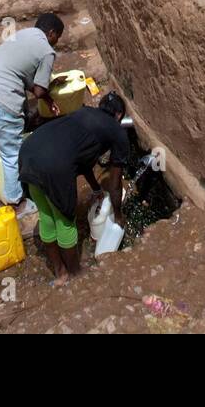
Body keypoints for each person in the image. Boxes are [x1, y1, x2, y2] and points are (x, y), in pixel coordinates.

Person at [18, 95, 129, 285]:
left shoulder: (82, 112)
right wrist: (118, 215)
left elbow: (83, 160)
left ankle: (60, 273)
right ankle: (76, 275)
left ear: (100, 106)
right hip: (53, 165)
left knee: (46, 216)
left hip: (28, 152)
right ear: (118, 115)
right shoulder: (117, 131)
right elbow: (115, 184)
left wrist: (95, 189)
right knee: (65, 221)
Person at [0, 13, 64, 215]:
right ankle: (17, 204)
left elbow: (22, 74)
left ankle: (8, 141)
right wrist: (46, 95)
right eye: (58, 38)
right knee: (11, 152)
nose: (56, 43)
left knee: (13, 128)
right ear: (51, 33)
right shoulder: (47, 51)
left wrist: (47, 97)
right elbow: (37, 90)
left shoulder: (22, 34)